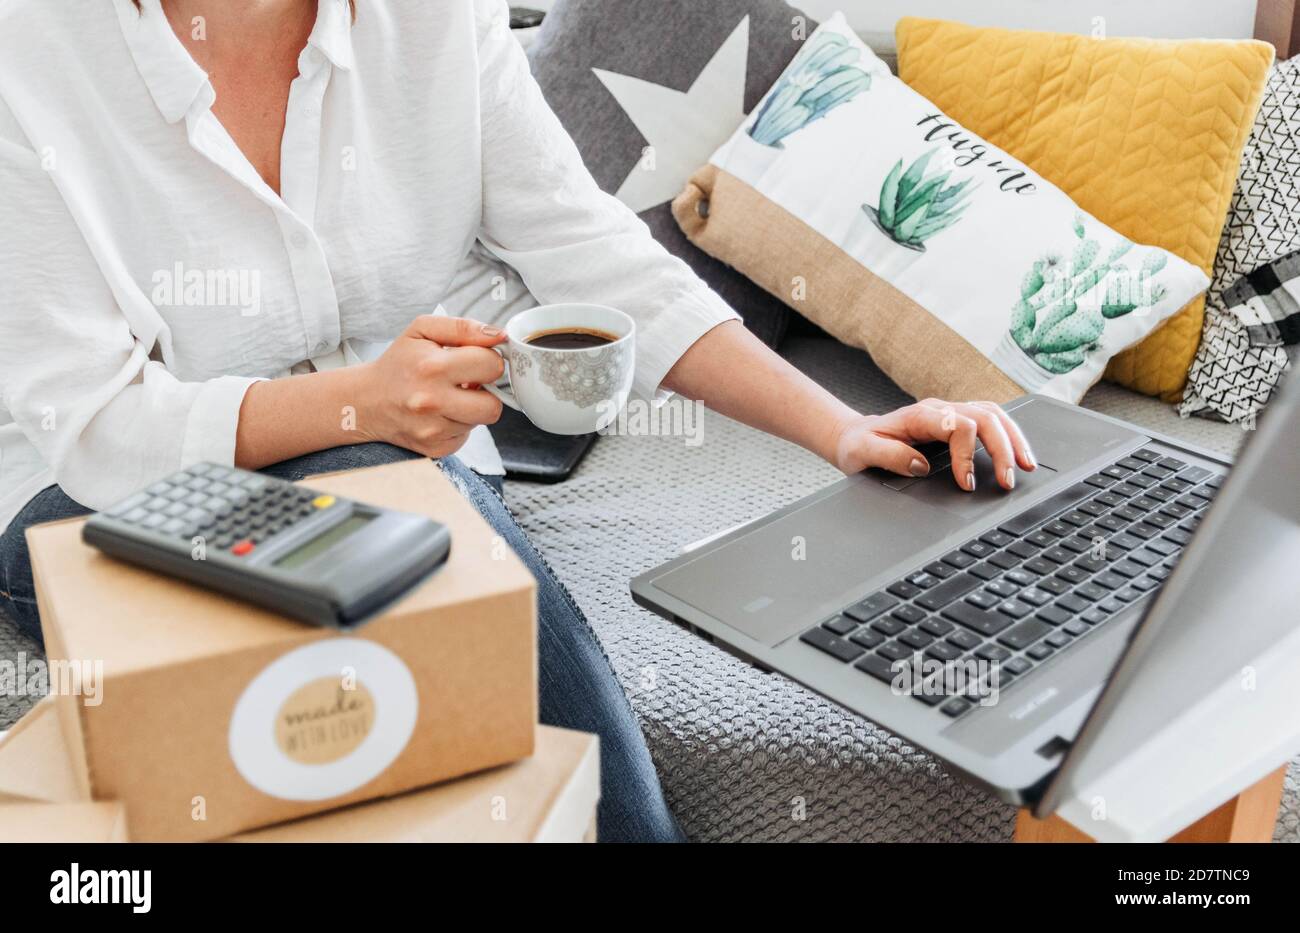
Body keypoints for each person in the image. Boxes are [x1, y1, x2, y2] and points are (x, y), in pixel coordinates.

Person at [0, 0, 1035, 842]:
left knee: (395, 529)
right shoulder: (27, 56)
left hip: (403, 473)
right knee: (394, 503)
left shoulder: (437, 19)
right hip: (89, 498)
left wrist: (840, 429)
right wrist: (362, 403)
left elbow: (591, 251)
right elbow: (93, 425)